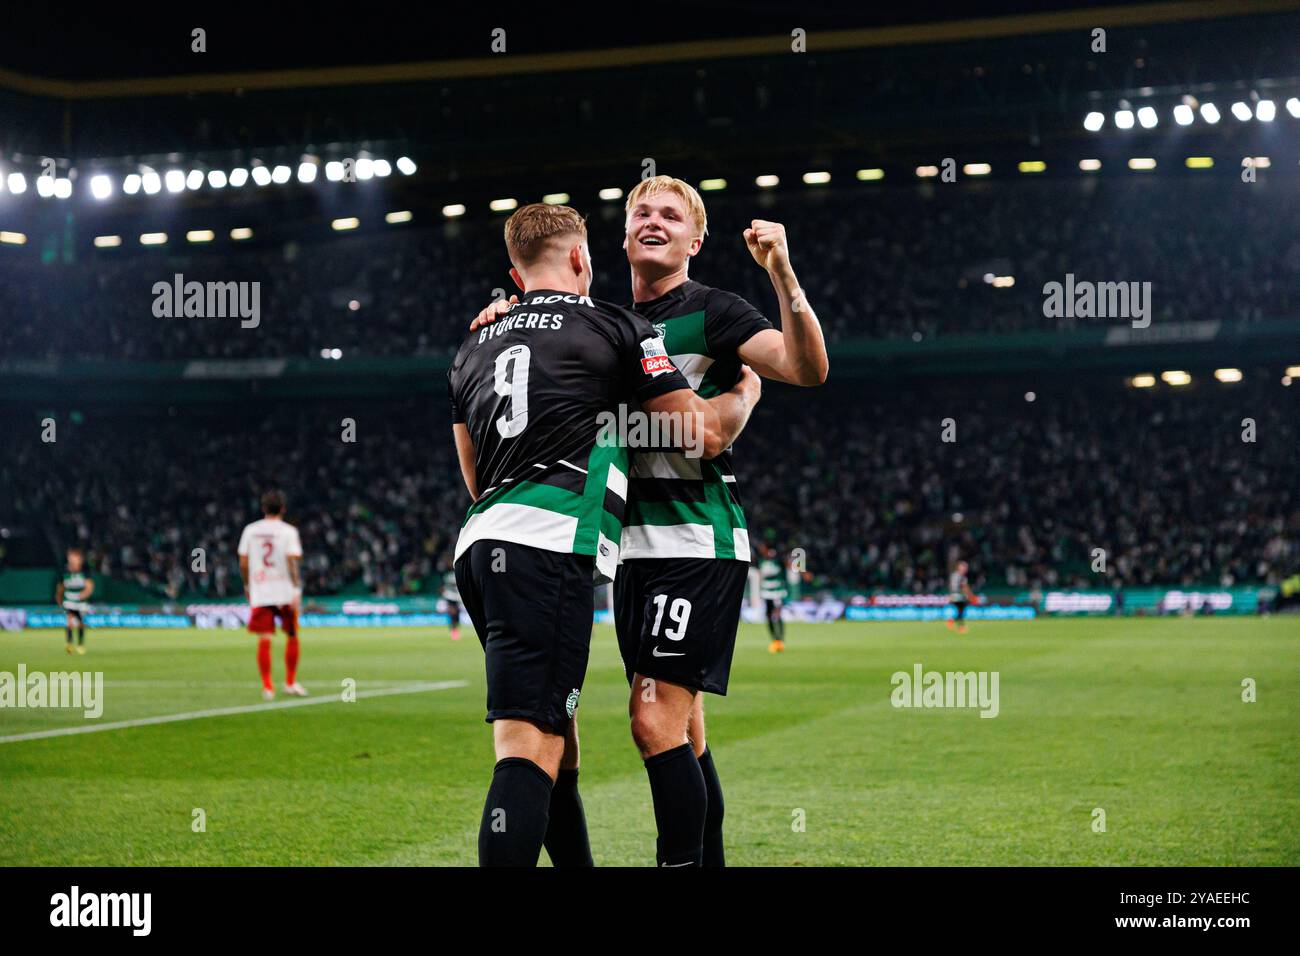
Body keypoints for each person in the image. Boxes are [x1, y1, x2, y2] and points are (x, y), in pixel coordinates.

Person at [473, 175, 827, 867]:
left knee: (651, 720)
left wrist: (783, 276)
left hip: (695, 535)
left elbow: (807, 369)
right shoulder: (600, 322)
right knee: (685, 730)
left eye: (671, 214)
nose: (653, 221)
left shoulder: (715, 311)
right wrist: (501, 315)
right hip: (627, 549)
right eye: (642, 212)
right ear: (623, 235)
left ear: (696, 240)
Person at [237, 490, 306, 700]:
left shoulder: (250, 530)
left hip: (261, 589)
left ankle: (268, 687)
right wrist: (296, 589)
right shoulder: (288, 532)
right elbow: (292, 561)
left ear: (263, 508)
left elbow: (243, 561)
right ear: (283, 508)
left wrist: (248, 585)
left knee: (264, 638)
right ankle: (290, 682)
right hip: (284, 589)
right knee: (292, 635)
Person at [56, 547, 94, 655]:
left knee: (81, 623)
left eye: (75, 557)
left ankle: (81, 644)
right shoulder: (64, 571)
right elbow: (61, 586)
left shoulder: (84, 571)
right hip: (69, 600)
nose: (72, 560)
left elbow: (89, 586)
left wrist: (85, 593)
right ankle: (69, 644)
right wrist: (58, 597)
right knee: (70, 621)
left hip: (81, 603)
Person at [947, 560, 977, 634]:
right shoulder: (961, 577)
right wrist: (971, 596)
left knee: (960, 611)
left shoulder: (954, 575)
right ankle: (960, 626)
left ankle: (954, 621)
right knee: (962, 610)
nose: (965, 569)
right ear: (960, 567)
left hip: (954, 596)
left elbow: (951, 586)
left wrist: (950, 595)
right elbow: (964, 587)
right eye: (964, 567)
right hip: (959, 596)